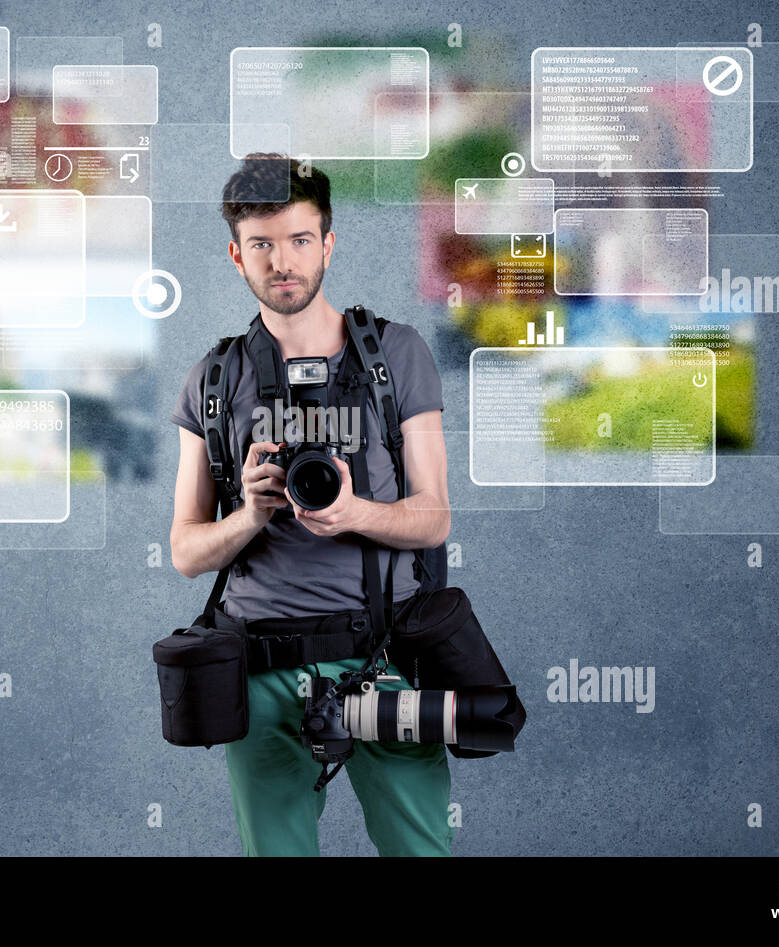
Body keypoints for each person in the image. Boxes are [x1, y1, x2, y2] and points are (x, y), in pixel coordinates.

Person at [167, 154, 454, 856]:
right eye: (261, 244)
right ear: (237, 255)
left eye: (299, 240)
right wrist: (251, 515)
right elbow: (184, 550)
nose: (282, 260)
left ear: (328, 244)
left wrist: (353, 512)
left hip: (386, 661)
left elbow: (436, 515)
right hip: (259, 669)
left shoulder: (395, 356)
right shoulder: (214, 379)